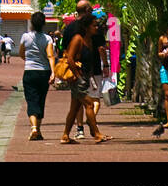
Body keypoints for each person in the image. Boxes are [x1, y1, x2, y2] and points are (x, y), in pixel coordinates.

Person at [61, 14, 109, 145]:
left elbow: (90, 61)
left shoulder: (90, 40)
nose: (96, 27)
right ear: (86, 27)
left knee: (75, 108)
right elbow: (70, 58)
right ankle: (96, 133)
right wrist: (77, 76)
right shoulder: (78, 39)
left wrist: (91, 76)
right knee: (89, 104)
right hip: (78, 79)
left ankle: (65, 135)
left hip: (86, 77)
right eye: (94, 25)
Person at [19, 10, 55, 140]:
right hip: (44, 72)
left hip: (29, 71)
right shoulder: (48, 38)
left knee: (31, 100)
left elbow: (21, 53)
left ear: (32, 23)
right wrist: (53, 72)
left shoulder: (25, 37)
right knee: (41, 100)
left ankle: (34, 129)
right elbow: (50, 56)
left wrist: (28, 60)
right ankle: (38, 130)